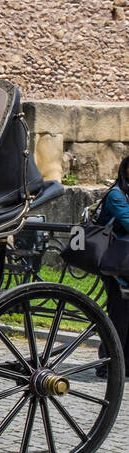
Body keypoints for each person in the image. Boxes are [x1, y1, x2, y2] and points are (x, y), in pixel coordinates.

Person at [95, 155, 129, 379]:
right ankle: (107, 363)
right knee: (118, 317)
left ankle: (125, 363)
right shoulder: (116, 195)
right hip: (116, 265)